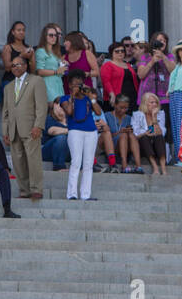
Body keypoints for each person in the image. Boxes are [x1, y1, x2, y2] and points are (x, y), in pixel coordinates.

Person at [2, 55, 48, 200]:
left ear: (26, 66)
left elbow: (42, 106)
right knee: (17, 161)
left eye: (19, 64)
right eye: (13, 65)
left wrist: (39, 125)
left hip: (31, 128)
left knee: (33, 159)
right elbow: (5, 112)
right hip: (13, 129)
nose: (16, 67)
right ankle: (24, 190)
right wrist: (5, 131)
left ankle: (36, 189)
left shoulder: (36, 81)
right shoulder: (8, 87)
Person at [60, 70, 101, 201]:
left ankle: (85, 195)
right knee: (76, 162)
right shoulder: (65, 98)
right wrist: (73, 96)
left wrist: (91, 96)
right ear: (70, 85)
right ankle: (71, 194)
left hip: (91, 131)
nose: (79, 86)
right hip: (75, 131)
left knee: (88, 164)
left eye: (80, 84)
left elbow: (99, 112)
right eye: (75, 84)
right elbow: (70, 112)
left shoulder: (88, 98)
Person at [105, 93, 142, 172]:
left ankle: (139, 166)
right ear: (115, 105)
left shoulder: (129, 118)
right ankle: (124, 166)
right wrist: (120, 132)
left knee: (130, 135)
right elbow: (105, 136)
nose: (123, 110)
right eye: (121, 107)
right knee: (123, 135)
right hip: (111, 146)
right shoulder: (107, 116)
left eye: (126, 108)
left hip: (125, 146)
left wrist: (130, 131)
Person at [34, 23, 68, 106]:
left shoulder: (56, 52)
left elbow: (60, 72)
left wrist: (63, 65)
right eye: (50, 35)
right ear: (44, 36)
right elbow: (39, 71)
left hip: (58, 84)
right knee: (53, 110)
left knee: (59, 110)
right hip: (47, 85)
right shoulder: (40, 51)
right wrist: (56, 71)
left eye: (55, 35)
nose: (54, 37)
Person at [101, 42, 139, 109]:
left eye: (122, 51)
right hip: (117, 99)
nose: (120, 53)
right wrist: (111, 94)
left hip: (132, 98)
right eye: (117, 51)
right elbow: (106, 81)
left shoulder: (128, 65)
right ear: (111, 53)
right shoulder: (107, 65)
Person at [42, 99, 70, 169]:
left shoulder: (71, 120)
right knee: (61, 138)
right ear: (54, 105)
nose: (62, 107)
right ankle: (59, 166)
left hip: (67, 152)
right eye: (59, 105)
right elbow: (52, 131)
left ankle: (86, 165)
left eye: (64, 105)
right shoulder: (49, 118)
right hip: (48, 151)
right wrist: (72, 131)